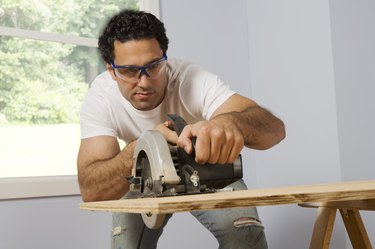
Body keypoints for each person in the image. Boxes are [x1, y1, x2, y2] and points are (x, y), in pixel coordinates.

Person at [77, 9, 285, 249]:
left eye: (154, 66)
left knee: (245, 238)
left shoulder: (190, 78)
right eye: (129, 71)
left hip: (205, 168)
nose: (143, 82)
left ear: (165, 57)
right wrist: (142, 149)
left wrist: (231, 123)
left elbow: (275, 130)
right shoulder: (101, 97)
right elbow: (91, 191)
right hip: (142, 176)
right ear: (111, 70)